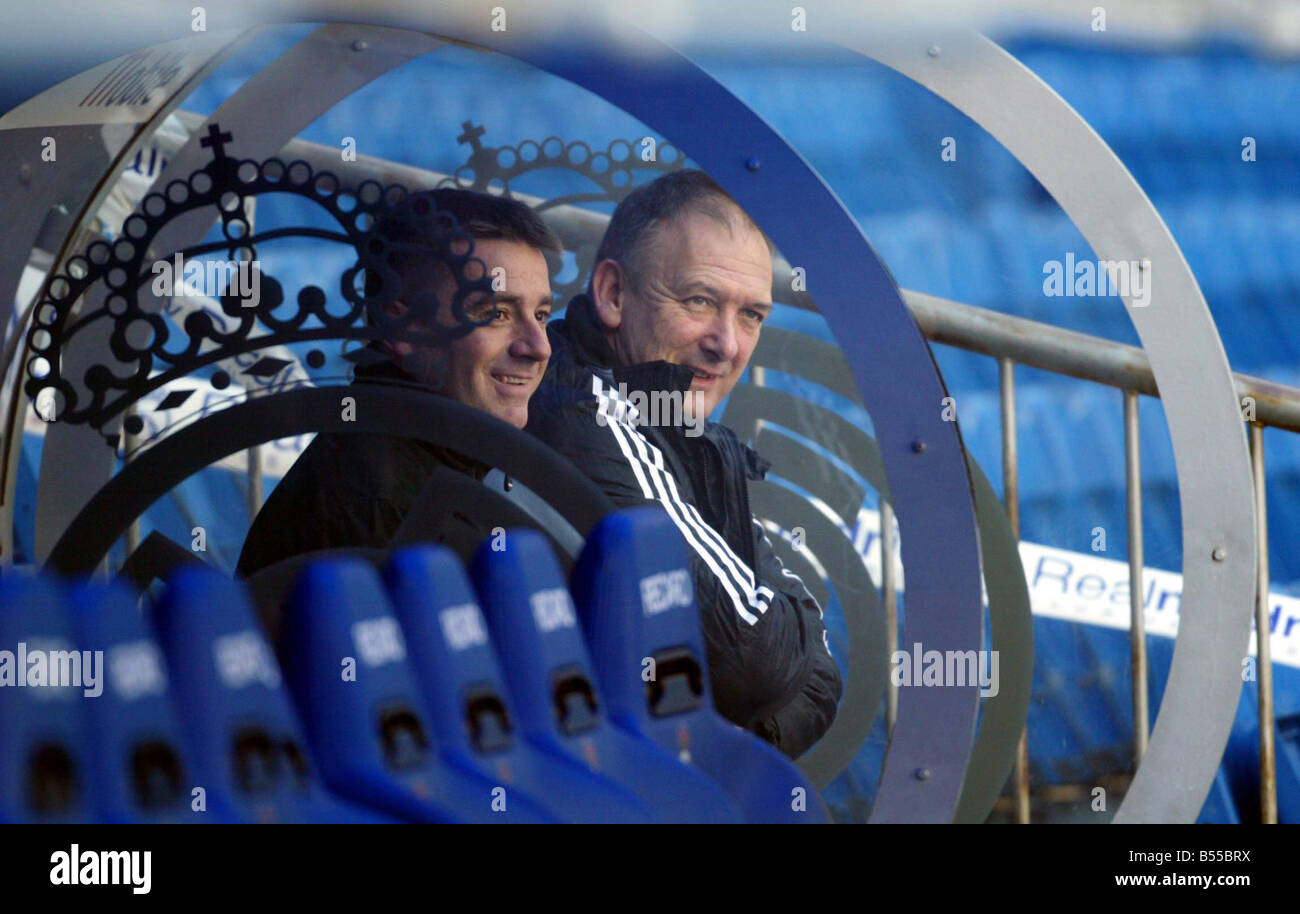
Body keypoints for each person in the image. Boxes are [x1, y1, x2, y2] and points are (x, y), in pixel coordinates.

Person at [526, 170, 842, 758]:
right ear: (614, 295)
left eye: (752, 315)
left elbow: (824, 676)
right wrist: (740, 737)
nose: (727, 343)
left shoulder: (672, 423)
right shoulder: (590, 415)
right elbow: (757, 663)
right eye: (700, 301)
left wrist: (732, 733)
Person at [236, 188, 558, 603]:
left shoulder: (422, 460)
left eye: (541, 316)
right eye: (496, 314)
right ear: (404, 330)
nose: (538, 347)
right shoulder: (377, 501)